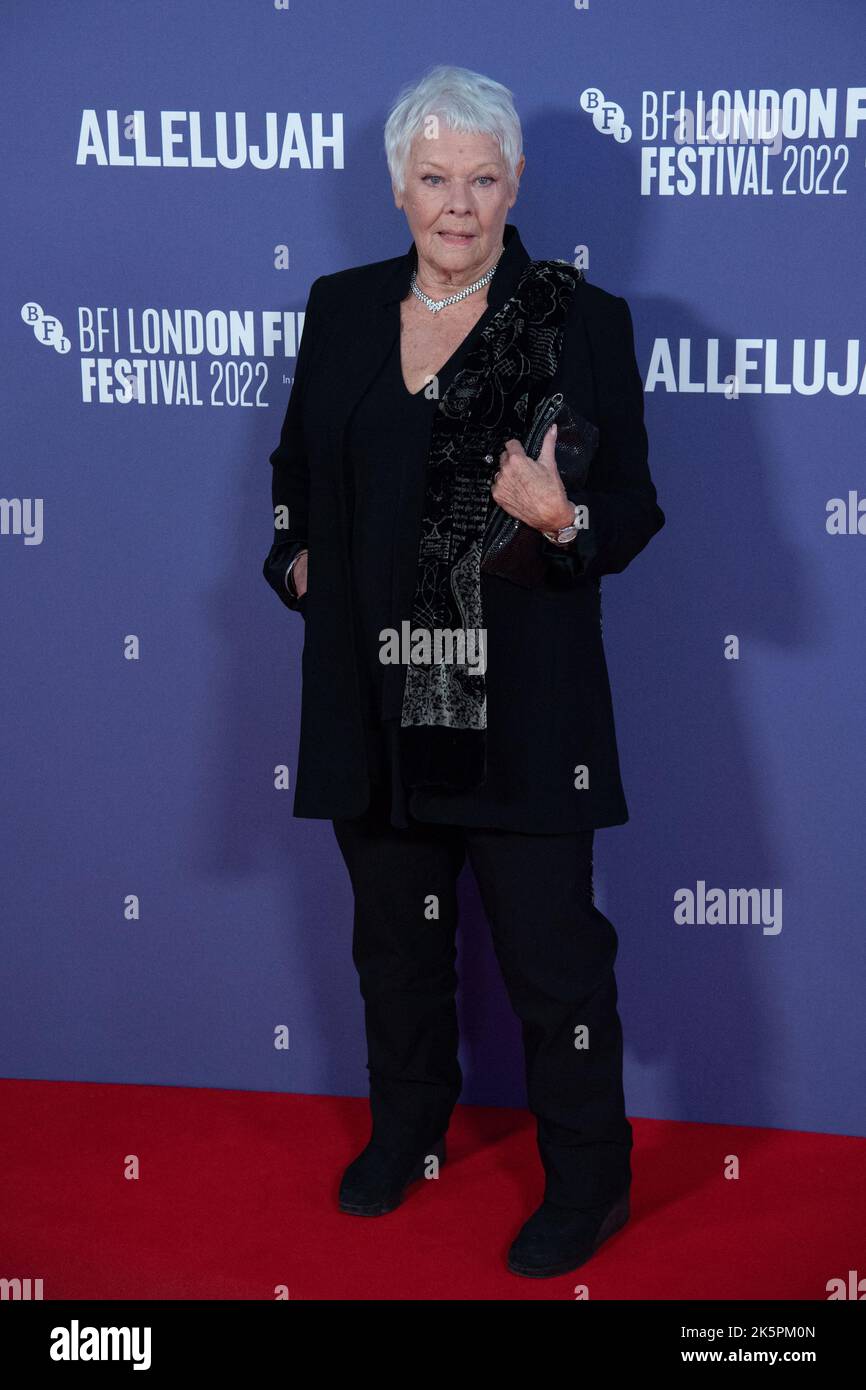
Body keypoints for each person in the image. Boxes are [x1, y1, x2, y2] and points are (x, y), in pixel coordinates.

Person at [262, 64, 665, 1279]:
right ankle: (407, 1132)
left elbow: (632, 511)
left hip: (520, 712)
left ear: (514, 186)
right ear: (397, 188)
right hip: (376, 697)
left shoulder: (574, 318)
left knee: (552, 960)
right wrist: (293, 562)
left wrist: (558, 517)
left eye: (481, 178)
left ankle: (588, 1181)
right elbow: (291, 475)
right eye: (434, 178)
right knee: (393, 941)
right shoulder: (339, 308)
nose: (457, 203)